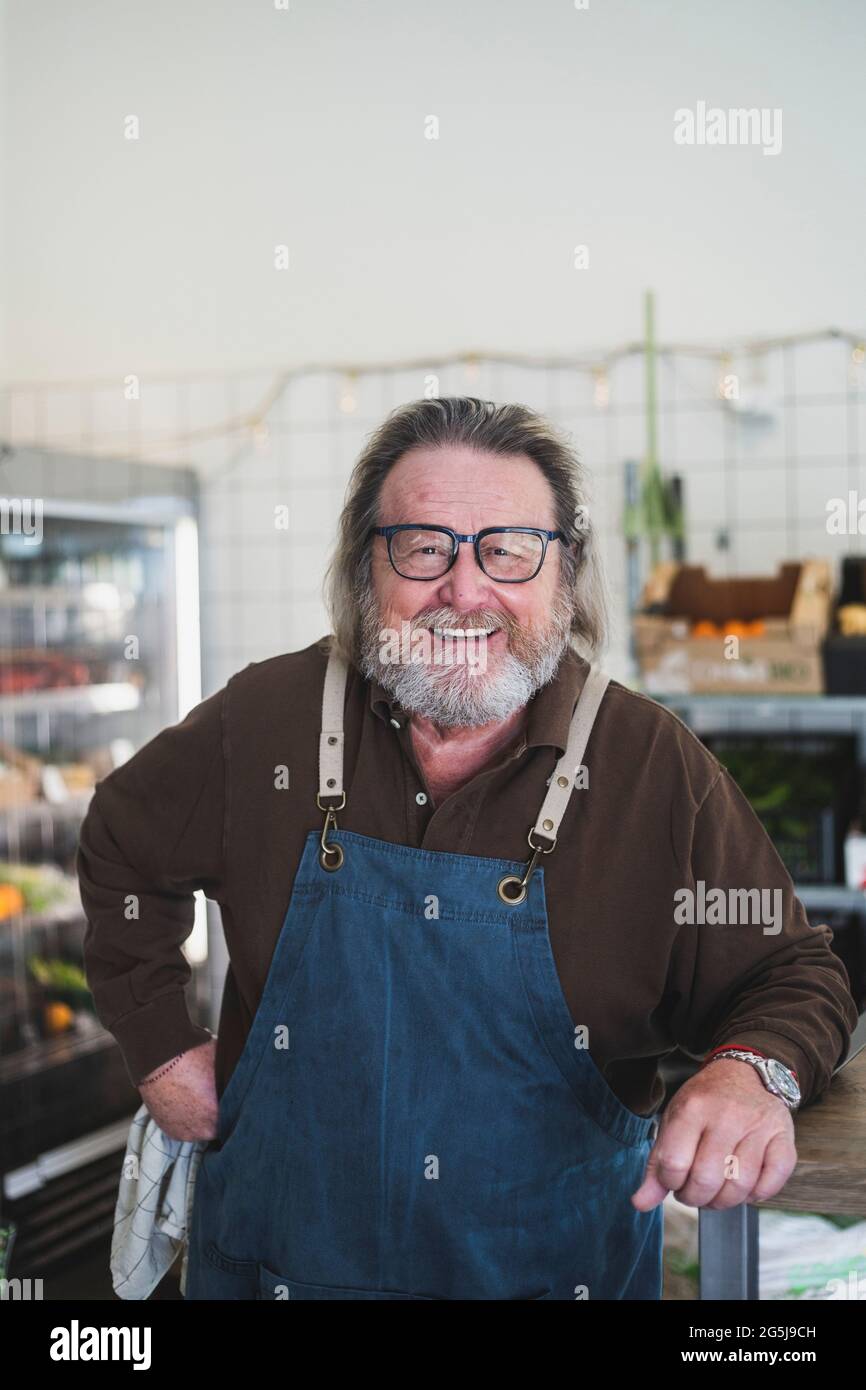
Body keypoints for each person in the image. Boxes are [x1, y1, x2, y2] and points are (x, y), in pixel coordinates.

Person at [77, 396, 859, 1301]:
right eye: (423, 545)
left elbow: (795, 970)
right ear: (367, 566)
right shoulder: (266, 722)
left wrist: (749, 1070)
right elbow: (118, 843)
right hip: (273, 1271)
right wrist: (162, 1046)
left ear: (563, 573)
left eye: (509, 547)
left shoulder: (648, 765)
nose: (464, 587)